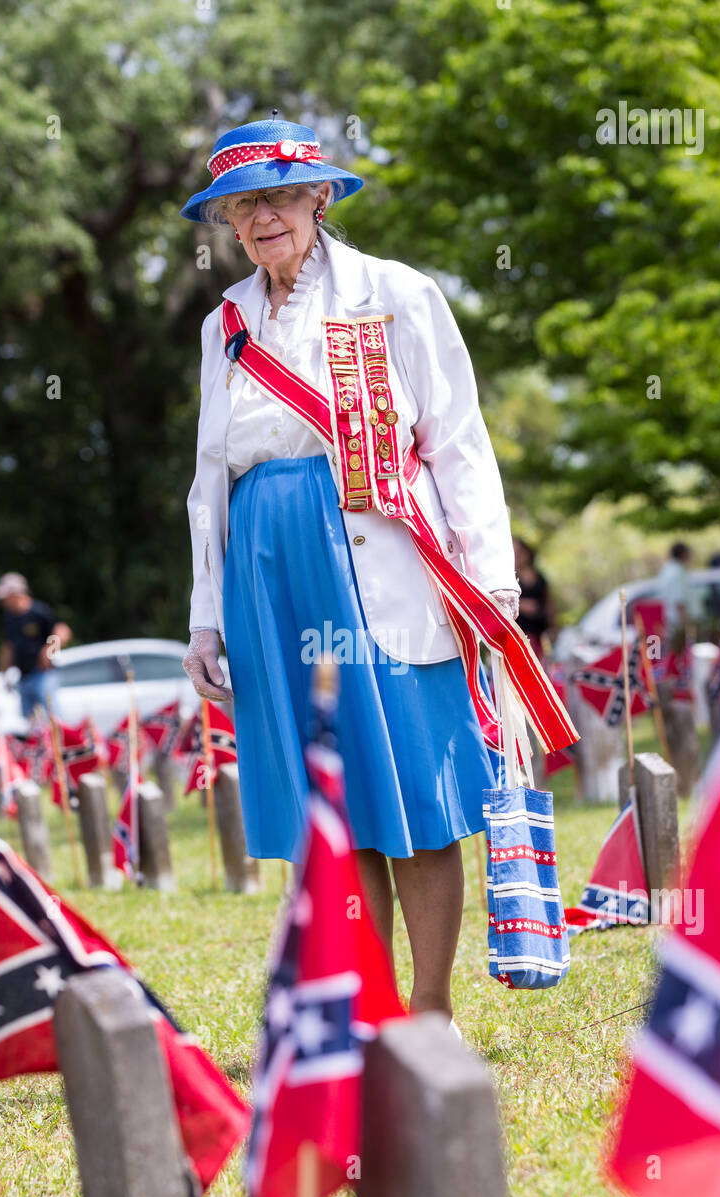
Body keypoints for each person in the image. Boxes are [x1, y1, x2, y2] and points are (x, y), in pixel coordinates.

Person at [179, 118, 525, 1021]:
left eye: (279, 196)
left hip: (378, 555)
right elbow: (209, 478)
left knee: (409, 781)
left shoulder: (395, 292)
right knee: (330, 805)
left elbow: (456, 439)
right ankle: (366, 1011)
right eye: (242, 206)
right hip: (267, 568)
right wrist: (204, 618)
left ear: (320, 197)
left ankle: (433, 1006)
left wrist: (491, 579)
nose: (261, 218)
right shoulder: (225, 326)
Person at [0, 573, 72, 719]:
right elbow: (10, 646)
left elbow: (63, 631)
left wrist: (49, 650)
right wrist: (4, 671)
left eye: (6, 597)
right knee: (30, 720)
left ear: (16, 594)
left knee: (52, 715)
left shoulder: (38, 611)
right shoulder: (9, 618)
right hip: (23, 675)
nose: (3, 602)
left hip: (43, 673)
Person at [513, 537, 555, 666]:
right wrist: (521, 605)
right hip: (518, 632)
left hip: (538, 632)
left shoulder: (539, 577)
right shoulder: (510, 578)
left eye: (520, 552)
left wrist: (553, 627)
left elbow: (549, 603)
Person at [656, 541, 693, 652]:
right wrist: (686, 625)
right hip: (676, 623)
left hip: (667, 622)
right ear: (683, 555)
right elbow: (679, 600)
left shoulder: (666, 570)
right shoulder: (677, 572)